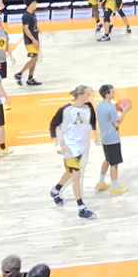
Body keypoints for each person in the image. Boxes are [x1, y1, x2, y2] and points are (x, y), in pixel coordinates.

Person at [50, 86, 97, 219]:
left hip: (82, 146)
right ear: (80, 95)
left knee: (71, 172)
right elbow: (54, 125)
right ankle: (81, 207)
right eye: (87, 94)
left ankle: (56, 190)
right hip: (70, 147)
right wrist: (61, 143)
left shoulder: (88, 107)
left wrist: (96, 134)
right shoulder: (66, 110)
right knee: (76, 175)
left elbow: (92, 121)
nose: (90, 96)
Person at [93, 84, 127, 195]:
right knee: (114, 164)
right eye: (112, 92)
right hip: (113, 138)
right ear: (107, 95)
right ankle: (115, 187)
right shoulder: (111, 108)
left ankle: (101, 182)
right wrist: (124, 112)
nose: (114, 93)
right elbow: (117, 124)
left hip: (104, 137)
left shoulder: (99, 106)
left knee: (107, 159)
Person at [13, 0, 42, 87]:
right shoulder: (26, 16)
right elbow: (26, 29)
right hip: (30, 41)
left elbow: (33, 26)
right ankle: (19, 74)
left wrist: (38, 30)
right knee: (34, 59)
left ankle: (30, 78)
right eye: (35, 3)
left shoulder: (33, 14)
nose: (36, 5)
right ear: (31, 4)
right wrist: (33, 40)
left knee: (34, 59)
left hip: (35, 39)